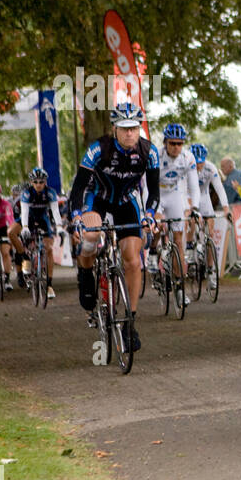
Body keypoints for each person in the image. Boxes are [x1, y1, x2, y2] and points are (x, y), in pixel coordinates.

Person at [68, 104, 160, 352]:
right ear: (114, 129)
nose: (130, 134)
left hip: (126, 202)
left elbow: (153, 191)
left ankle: (130, 321)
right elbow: (79, 188)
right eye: (124, 129)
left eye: (134, 128)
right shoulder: (98, 149)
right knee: (92, 233)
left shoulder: (149, 151)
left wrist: (150, 214)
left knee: (132, 259)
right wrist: (77, 215)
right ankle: (86, 273)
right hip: (96, 198)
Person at [155, 122, 199, 302]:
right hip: (155, 192)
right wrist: (152, 212)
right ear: (165, 143)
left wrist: (194, 208)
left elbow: (194, 186)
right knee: (155, 227)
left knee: (178, 241)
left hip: (173, 193)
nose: (176, 147)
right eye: (172, 143)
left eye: (179, 143)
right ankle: (152, 252)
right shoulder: (155, 156)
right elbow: (145, 183)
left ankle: (179, 289)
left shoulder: (188, 158)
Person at [13, 167, 63, 298]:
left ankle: (50, 285)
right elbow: (24, 211)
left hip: (42, 219)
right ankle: (25, 259)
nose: (39, 184)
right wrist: (24, 227)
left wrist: (59, 227)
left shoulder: (50, 193)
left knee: (49, 249)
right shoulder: (27, 193)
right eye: (36, 182)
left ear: (45, 182)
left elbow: (55, 212)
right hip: (28, 219)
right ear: (31, 182)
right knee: (14, 233)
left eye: (41, 182)